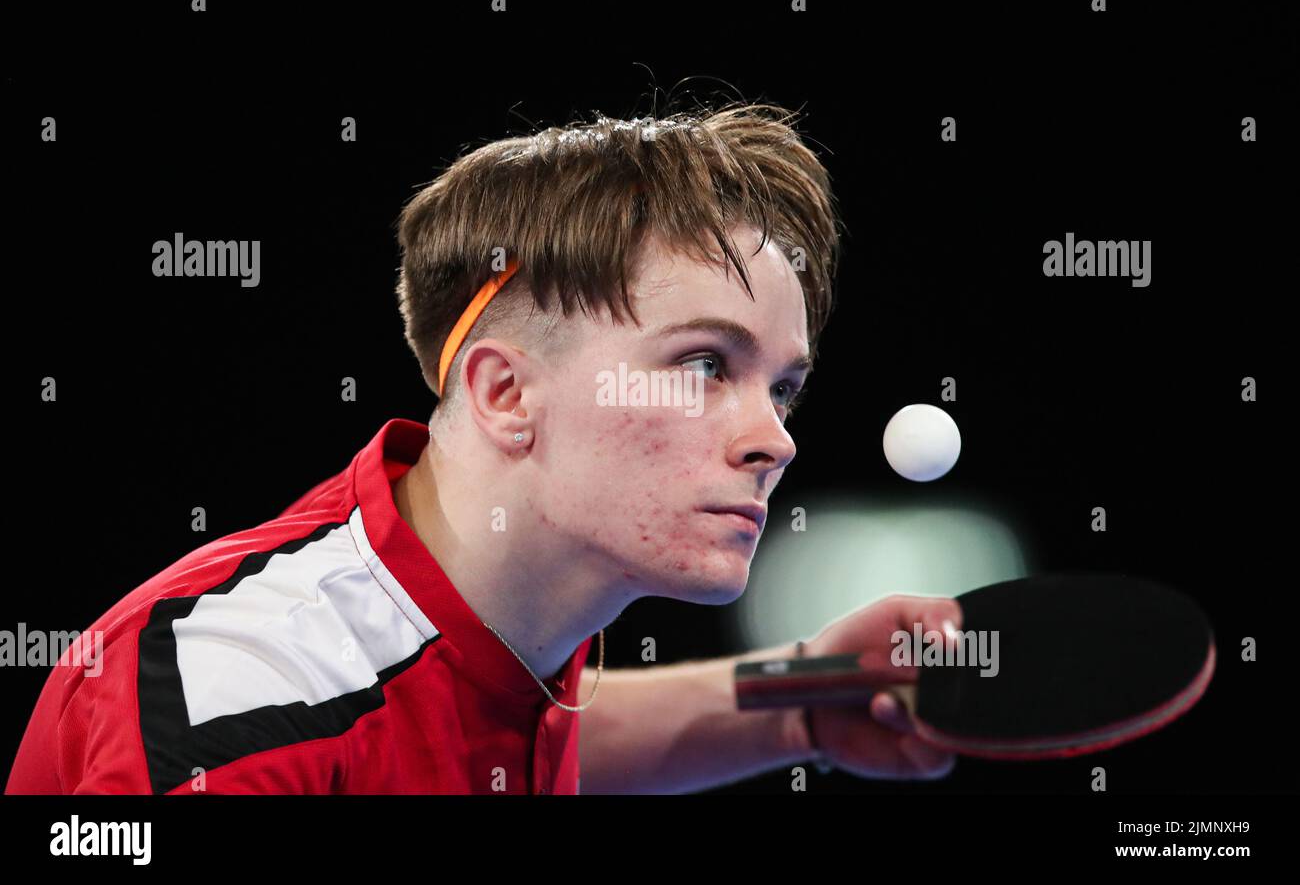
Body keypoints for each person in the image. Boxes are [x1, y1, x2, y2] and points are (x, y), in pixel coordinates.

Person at [6, 102, 959, 794]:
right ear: (506, 394)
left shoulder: (476, 630)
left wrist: (796, 702)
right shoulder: (248, 701)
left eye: (783, 387)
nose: (773, 439)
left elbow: (498, 731)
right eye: (705, 365)